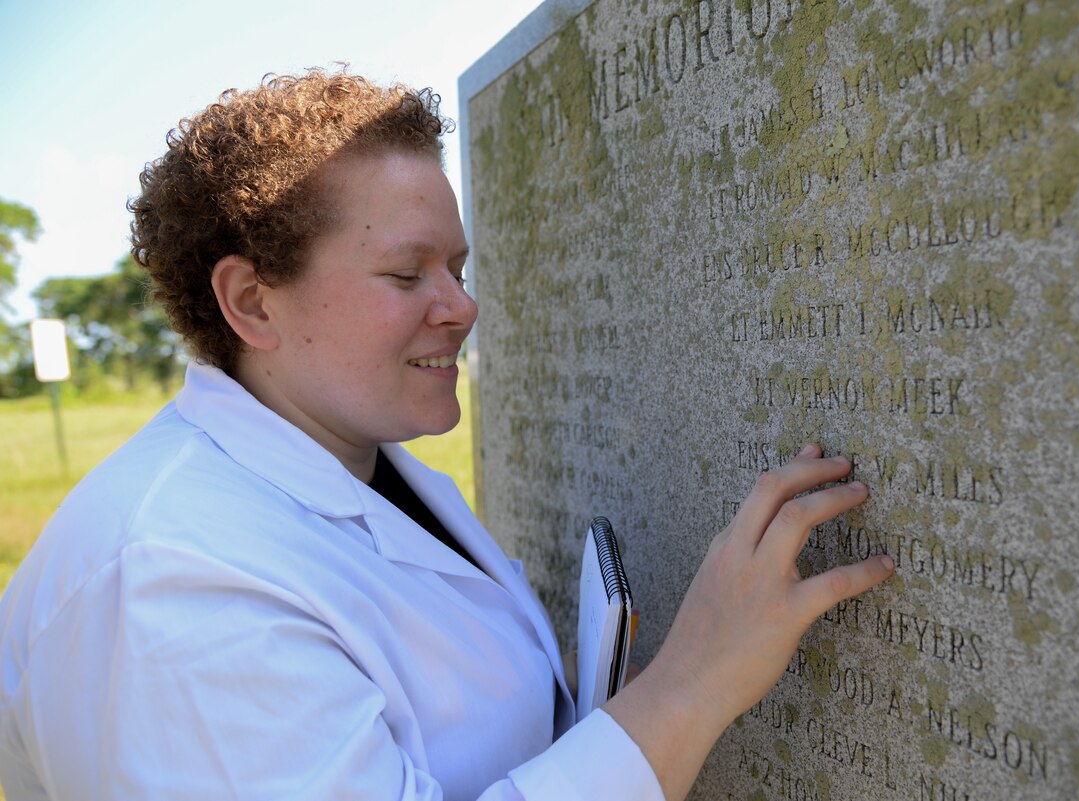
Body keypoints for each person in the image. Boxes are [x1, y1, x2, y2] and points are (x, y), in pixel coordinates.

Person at [0, 69, 894, 801]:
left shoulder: (361, 462)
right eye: (405, 273)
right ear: (252, 301)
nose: (462, 307)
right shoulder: (169, 587)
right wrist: (694, 682)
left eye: (458, 267)